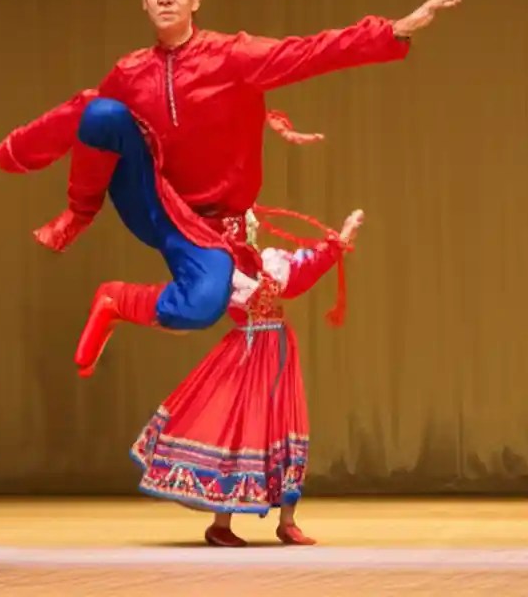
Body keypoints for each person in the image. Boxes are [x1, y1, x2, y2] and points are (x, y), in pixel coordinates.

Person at [0, 0, 461, 375]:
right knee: (98, 113)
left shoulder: (232, 56)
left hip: (211, 228)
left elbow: (310, 52)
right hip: (155, 204)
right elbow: (65, 120)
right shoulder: (131, 72)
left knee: (202, 306)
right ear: (143, 2)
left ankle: (116, 300)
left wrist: (392, 31)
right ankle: (78, 215)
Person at [131, 206, 362, 547]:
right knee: (238, 429)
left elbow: (306, 268)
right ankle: (220, 523)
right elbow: (196, 303)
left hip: (278, 351)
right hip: (246, 353)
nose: (243, 234)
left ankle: (287, 520)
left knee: (284, 425)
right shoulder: (221, 275)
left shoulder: (270, 262)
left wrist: (340, 240)